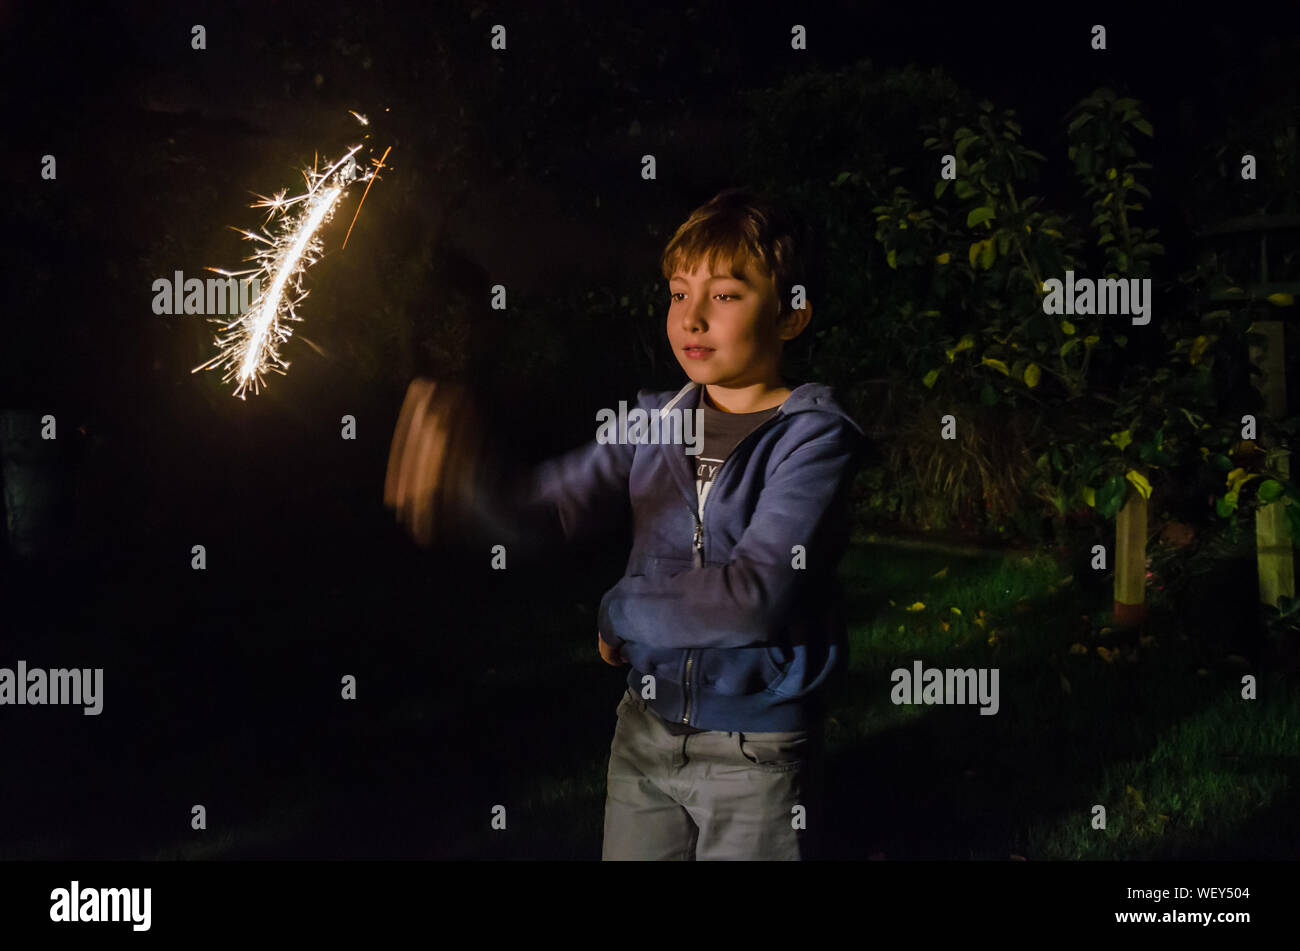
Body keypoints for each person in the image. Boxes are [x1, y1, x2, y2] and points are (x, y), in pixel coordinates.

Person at [386, 187, 866, 860]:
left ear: (792, 314)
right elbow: (548, 509)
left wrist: (620, 611)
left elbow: (752, 598)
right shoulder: (649, 420)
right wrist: (466, 486)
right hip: (643, 733)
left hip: (756, 752)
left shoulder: (813, 439)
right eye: (677, 293)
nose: (692, 317)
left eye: (725, 295)